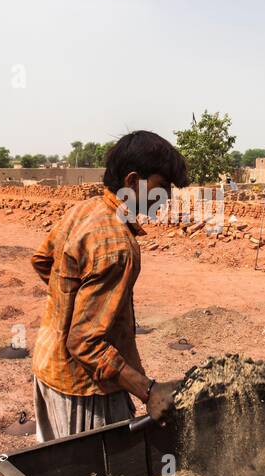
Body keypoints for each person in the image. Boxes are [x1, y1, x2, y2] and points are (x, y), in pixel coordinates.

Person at [29, 130, 188, 441]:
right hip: (84, 390)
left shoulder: (85, 210)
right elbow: (84, 342)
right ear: (132, 181)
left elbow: (41, 260)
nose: (168, 196)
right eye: (162, 186)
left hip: (50, 369)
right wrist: (148, 390)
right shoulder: (116, 244)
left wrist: (70, 304)